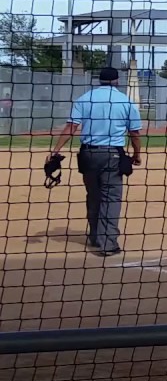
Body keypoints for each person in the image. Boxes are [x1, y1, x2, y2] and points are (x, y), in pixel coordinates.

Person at [49, 66, 143, 257]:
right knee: (111, 198)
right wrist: (137, 155)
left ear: (99, 80)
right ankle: (108, 244)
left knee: (93, 196)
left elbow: (71, 127)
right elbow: (135, 134)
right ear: (117, 81)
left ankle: (95, 236)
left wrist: (55, 151)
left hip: (88, 155)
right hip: (112, 155)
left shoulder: (85, 98)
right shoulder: (126, 101)